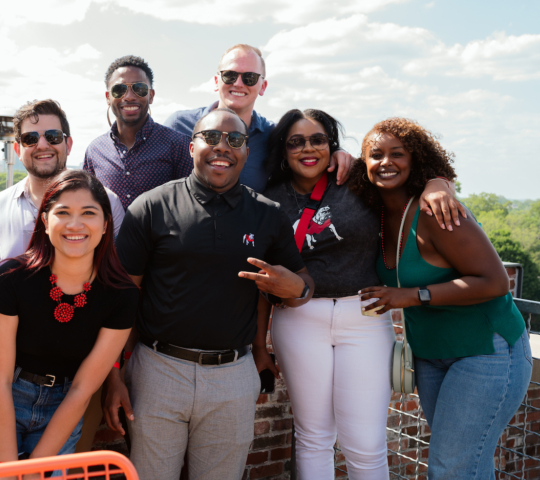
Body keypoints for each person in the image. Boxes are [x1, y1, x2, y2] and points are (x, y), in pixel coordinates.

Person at [105, 108, 313, 480]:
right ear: (191, 146)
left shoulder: (267, 214)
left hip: (233, 375)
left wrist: (295, 288)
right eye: (212, 137)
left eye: (235, 140)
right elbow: (122, 298)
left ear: (246, 152)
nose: (223, 147)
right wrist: (114, 374)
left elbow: (303, 285)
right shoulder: (151, 207)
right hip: (157, 370)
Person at [261, 109, 462, 479]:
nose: (308, 148)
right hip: (299, 317)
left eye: (318, 139)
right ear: (283, 150)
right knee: (313, 436)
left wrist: (439, 183)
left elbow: (408, 178)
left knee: (365, 443)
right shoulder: (268, 198)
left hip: (365, 314)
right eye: (296, 141)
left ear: (331, 144)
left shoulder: (355, 179)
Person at [353, 118, 531, 479]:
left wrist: (413, 295)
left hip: (486, 352)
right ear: (364, 164)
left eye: (397, 154)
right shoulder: (375, 216)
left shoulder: (436, 211)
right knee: (467, 465)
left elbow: (496, 282)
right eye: (376, 155)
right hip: (430, 357)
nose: (386, 162)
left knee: (451, 469)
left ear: (416, 160)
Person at [0, 170, 138, 468]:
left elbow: (83, 389)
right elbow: (0, 379)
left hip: (64, 403)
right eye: (63, 212)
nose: (75, 224)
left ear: (106, 223)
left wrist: (34, 470)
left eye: (88, 213)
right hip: (0, 397)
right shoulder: (12, 278)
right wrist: (10, 471)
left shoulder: (121, 295)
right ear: (45, 221)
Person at [165, 44, 354, 192]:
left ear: (263, 86)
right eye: (230, 75)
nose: (238, 83)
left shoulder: (273, 136)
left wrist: (336, 153)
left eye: (249, 78)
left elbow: (306, 152)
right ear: (216, 81)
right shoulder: (178, 125)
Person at [0, 99, 125, 265]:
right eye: (30, 138)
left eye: (53, 137)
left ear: (68, 145)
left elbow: (120, 272)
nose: (42, 145)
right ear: (18, 149)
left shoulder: (107, 202)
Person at [83, 55, 192, 209]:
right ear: (108, 97)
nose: (128, 96)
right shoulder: (95, 151)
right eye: (119, 89)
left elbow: (192, 206)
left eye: (139, 89)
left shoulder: (179, 145)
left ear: (151, 95)